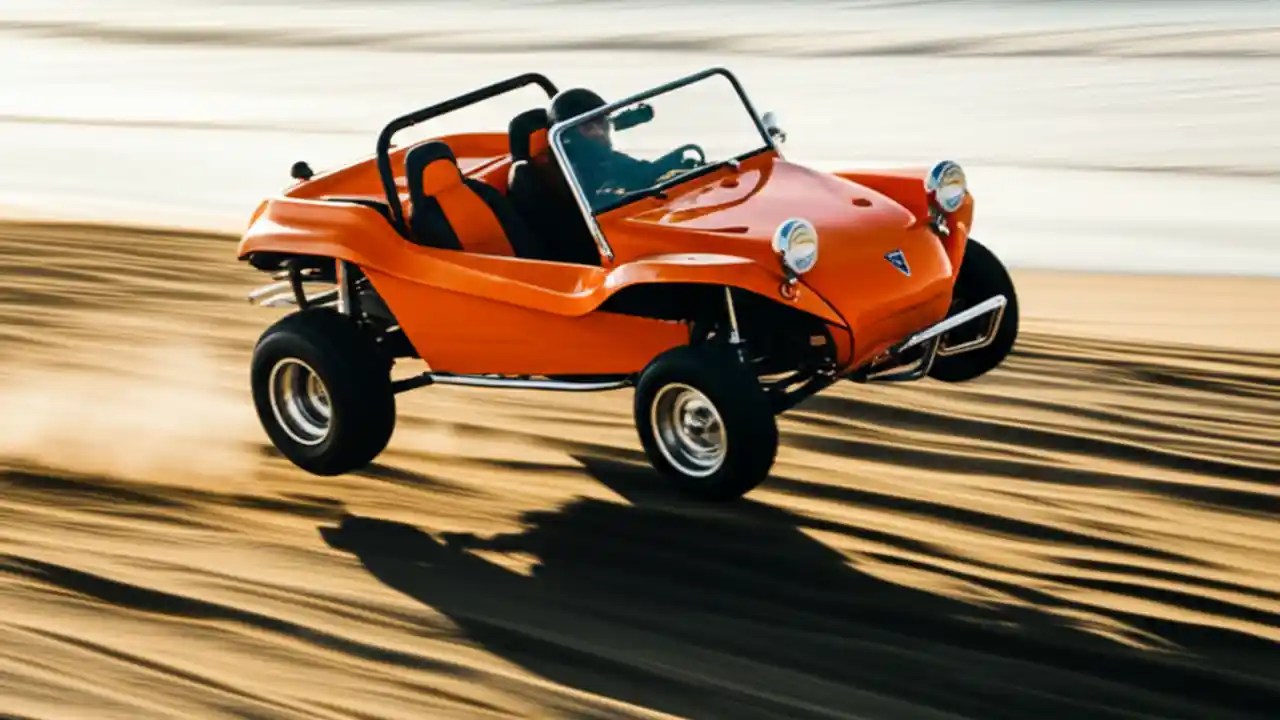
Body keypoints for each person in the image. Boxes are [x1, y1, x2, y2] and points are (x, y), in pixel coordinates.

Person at [546, 88, 662, 204]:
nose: (599, 132)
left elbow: (649, 173)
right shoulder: (566, 179)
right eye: (588, 127)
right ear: (569, 136)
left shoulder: (611, 160)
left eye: (600, 122)